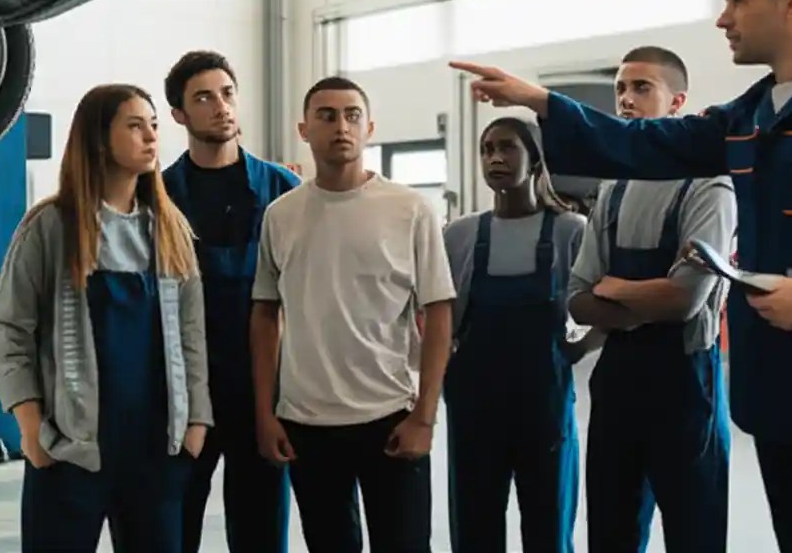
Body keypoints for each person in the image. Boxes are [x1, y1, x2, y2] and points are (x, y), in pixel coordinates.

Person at [450, 0, 792, 553]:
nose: (723, 19)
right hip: (776, 392)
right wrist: (543, 103)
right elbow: (642, 144)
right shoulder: (748, 114)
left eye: (737, 1)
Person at [0, 83, 213, 553]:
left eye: (153, 125)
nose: (152, 137)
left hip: (156, 450)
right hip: (70, 447)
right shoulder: (50, 227)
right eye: (135, 126)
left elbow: (192, 335)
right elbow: (8, 326)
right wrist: (30, 428)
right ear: (97, 139)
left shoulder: (171, 230)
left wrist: (196, 423)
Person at [251, 76, 456, 553]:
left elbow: (439, 311)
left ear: (369, 128)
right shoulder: (280, 216)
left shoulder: (409, 210)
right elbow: (265, 315)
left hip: (390, 417)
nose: (340, 126)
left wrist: (424, 415)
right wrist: (265, 413)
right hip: (306, 422)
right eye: (326, 116)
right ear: (304, 130)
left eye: (352, 116)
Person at [566, 46, 736, 553]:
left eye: (642, 88)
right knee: (611, 536)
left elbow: (683, 299)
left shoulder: (711, 185)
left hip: (685, 387)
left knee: (695, 533)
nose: (626, 99)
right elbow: (577, 300)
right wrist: (642, 297)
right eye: (621, 88)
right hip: (618, 387)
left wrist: (614, 291)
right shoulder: (613, 187)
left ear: (676, 101)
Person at [160, 50, 299, 553]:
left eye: (227, 93)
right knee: (172, 529)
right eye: (203, 97)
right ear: (179, 115)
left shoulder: (284, 192)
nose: (221, 106)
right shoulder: (158, 197)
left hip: (263, 392)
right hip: (181, 395)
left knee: (261, 529)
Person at [442, 116, 600, 553]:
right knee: (474, 528)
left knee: (548, 528)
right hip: (474, 410)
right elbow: (440, 320)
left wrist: (574, 349)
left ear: (534, 160)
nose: (495, 157)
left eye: (507, 147)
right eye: (487, 148)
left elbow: (596, 306)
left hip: (543, 411)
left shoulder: (570, 231)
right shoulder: (459, 235)